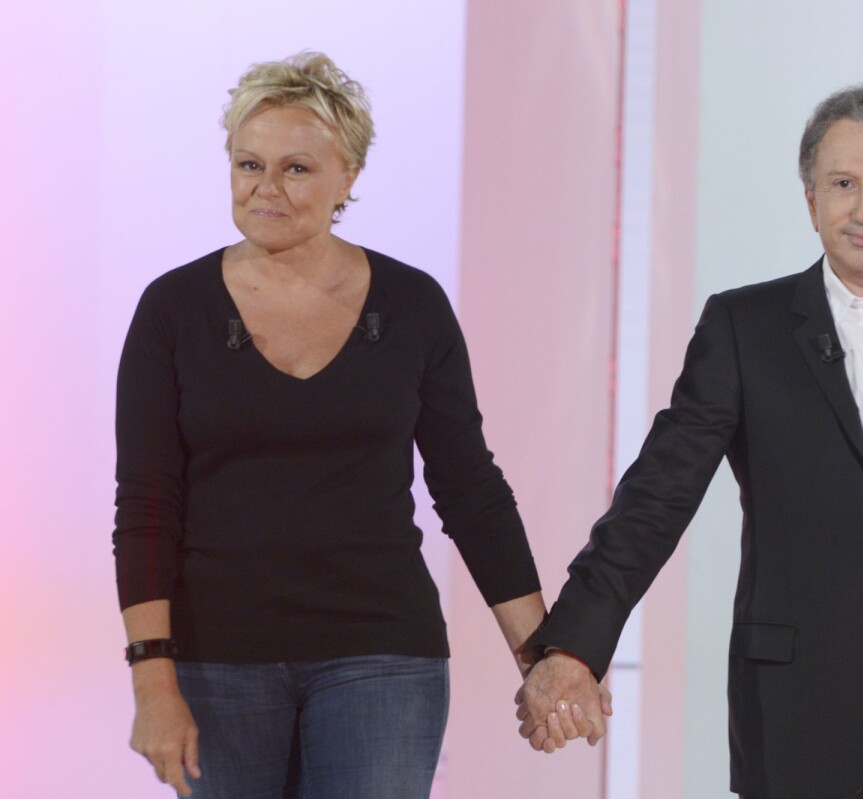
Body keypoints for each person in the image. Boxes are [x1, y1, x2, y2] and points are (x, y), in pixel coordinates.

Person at [517, 84, 863, 798]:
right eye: (842, 184)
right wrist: (574, 647)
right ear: (810, 199)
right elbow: (655, 500)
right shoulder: (743, 328)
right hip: (795, 717)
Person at [112, 52, 586, 798]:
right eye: (248, 164)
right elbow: (145, 506)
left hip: (382, 653)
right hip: (216, 661)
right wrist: (152, 679)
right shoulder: (172, 310)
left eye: (296, 168)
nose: (265, 188)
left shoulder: (412, 305)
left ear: (349, 178)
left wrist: (542, 656)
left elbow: (471, 490)